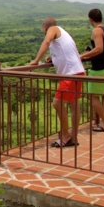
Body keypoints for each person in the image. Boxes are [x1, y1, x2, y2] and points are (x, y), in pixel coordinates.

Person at [30, 17, 85, 148]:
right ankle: (73, 137)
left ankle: (65, 136)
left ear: (45, 27)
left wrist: (36, 60)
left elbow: (47, 41)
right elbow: (63, 51)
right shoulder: (62, 33)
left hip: (70, 74)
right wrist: (53, 58)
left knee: (57, 103)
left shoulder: (52, 29)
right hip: (77, 71)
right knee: (73, 104)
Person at [79, 9, 104, 133]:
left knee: (92, 96)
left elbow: (99, 48)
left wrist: (82, 56)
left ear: (90, 19)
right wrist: (91, 53)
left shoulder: (96, 31)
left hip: (99, 69)